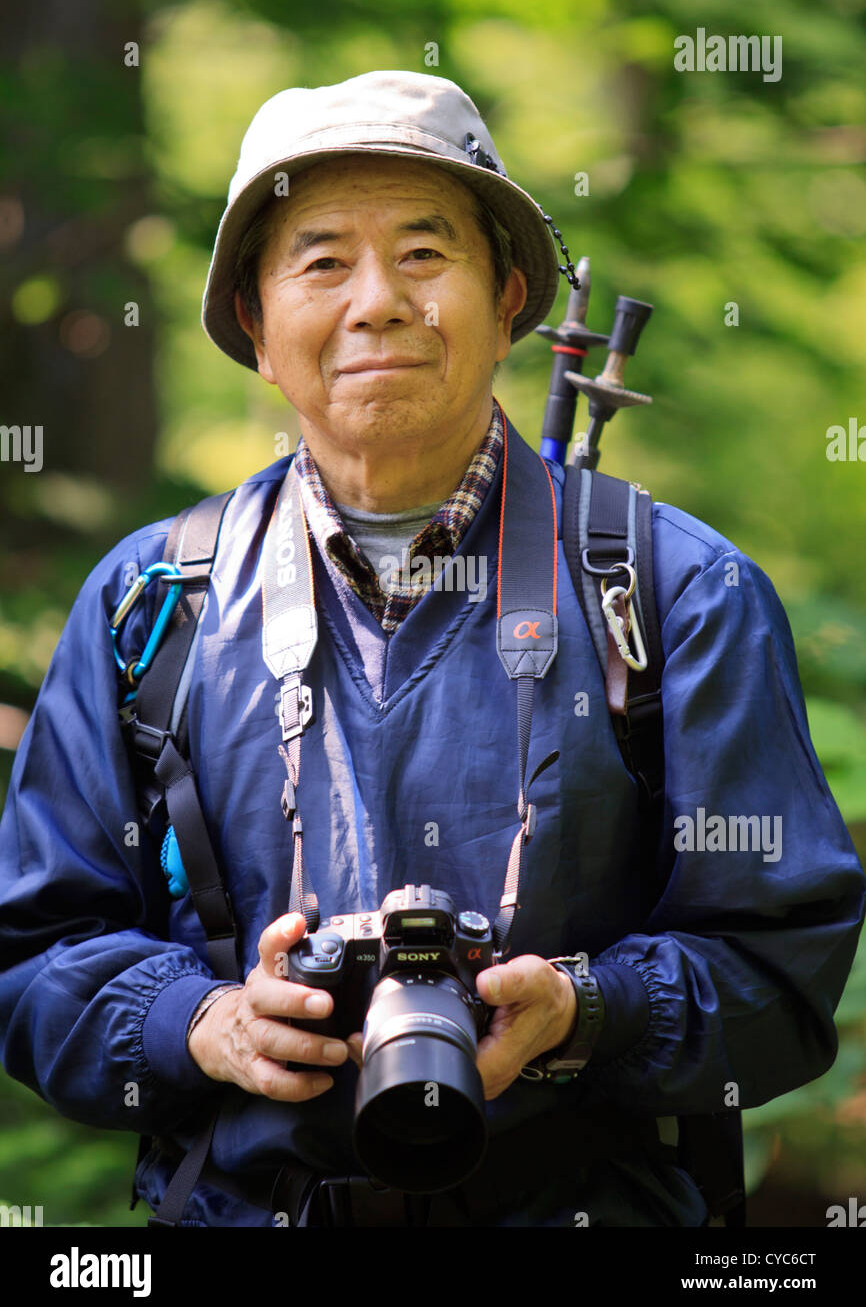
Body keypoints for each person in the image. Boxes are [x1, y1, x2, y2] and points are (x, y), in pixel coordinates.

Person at [0, 70, 863, 1229]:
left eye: (422, 254)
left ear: (506, 299)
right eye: (319, 262)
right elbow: (30, 951)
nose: (376, 302)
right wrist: (197, 1021)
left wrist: (584, 1008)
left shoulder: (667, 590)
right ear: (255, 327)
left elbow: (783, 971)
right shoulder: (152, 606)